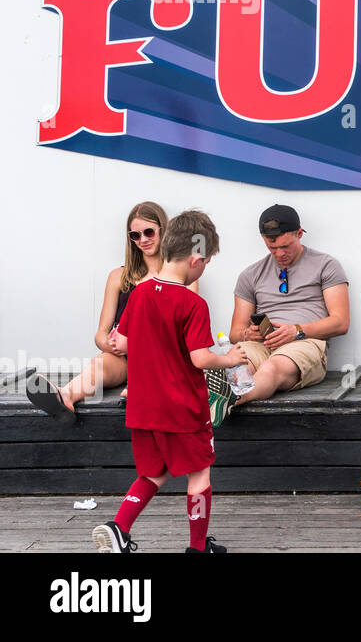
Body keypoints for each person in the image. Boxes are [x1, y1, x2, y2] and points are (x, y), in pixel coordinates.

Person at [90, 209, 245, 553]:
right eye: (206, 261)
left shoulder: (141, 293)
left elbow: (122, 343)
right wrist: (230, 358)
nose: (204, 267)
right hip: (182, 408)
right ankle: (197, 547)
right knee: (200, 474)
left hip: (143, 407)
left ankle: (119, 526)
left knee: (152, 474)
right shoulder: (193, 303)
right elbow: (200, 358)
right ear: (195, 257)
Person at [26, 201, 190, 423]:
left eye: (149, 232)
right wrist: (111, 344)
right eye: (135, 235)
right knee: (98, 364)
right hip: (124, 356)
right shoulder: (118, 276)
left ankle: (142, 387)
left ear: (164, 229)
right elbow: (100, 334)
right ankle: (65, 396)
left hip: (163, 360)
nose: (143, 240)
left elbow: (186, 330)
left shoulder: (181, 274)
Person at [206, 204, 349, 426]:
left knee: (270, 368)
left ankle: (230, 400)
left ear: (299, 234)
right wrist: (249, 334)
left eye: (286, 246)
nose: (280, 254)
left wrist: (297, 331)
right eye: (272, 248)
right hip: (263, 343)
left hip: (306, 343)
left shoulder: (326, 265)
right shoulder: (251, 274)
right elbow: (235, 332)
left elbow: (341, 322)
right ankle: (215, 396)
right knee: (237, 365)